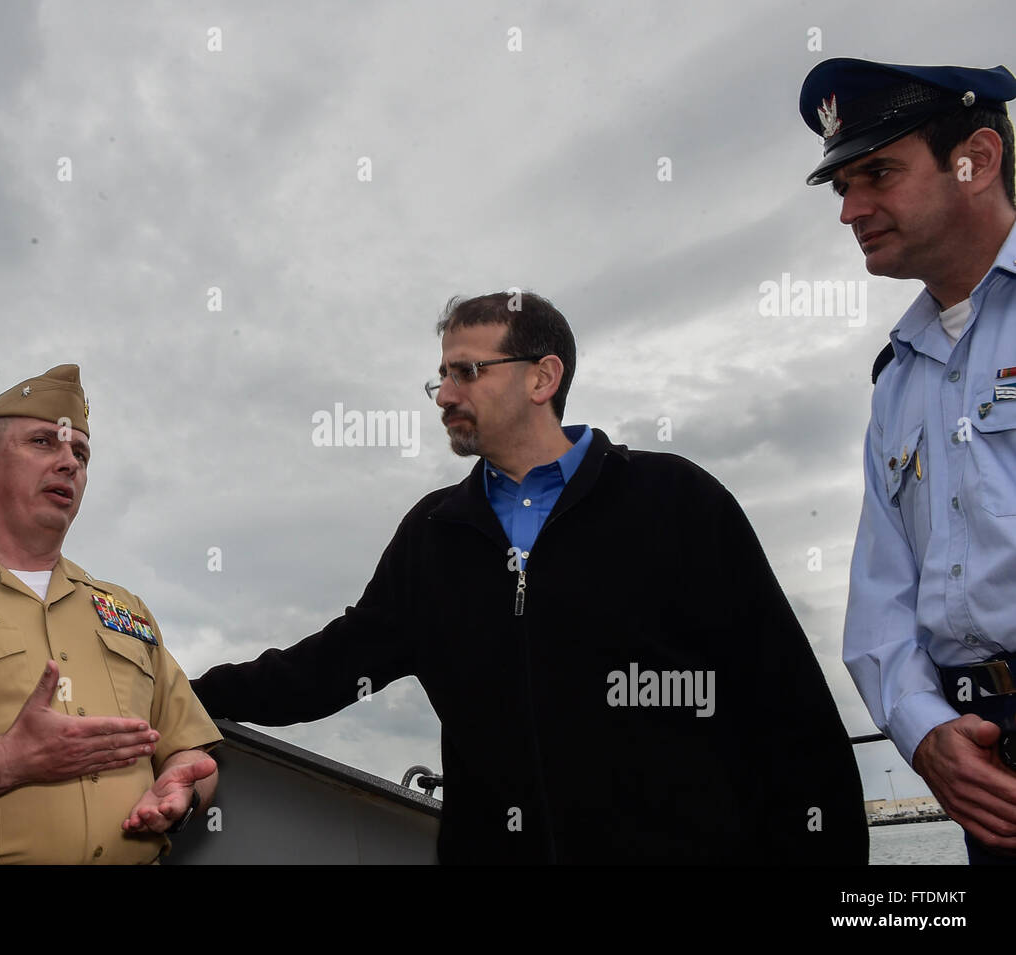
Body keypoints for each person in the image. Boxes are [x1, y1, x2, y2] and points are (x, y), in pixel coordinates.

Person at [193, 291, 867, 864]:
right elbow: (323, 668)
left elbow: (791, 715)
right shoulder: (433, 536)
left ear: (543, 378)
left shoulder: (678, 502)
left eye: (467, 372)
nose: (445, 396)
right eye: (441, 377)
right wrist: (176, 693)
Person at [800, 58, 1016, 864]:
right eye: (842, 186)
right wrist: (925, 735)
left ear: (977, 160)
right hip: (982, 765)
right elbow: (881, 596)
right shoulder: (898, 381)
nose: (852, 209)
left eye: (878, 173)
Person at [0, 365, 221, 864]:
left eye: (80, 453)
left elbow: (192, 753)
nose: (69, 464)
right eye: (42, 443)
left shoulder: (127, 611)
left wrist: (180, 795)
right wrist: (9, 761)